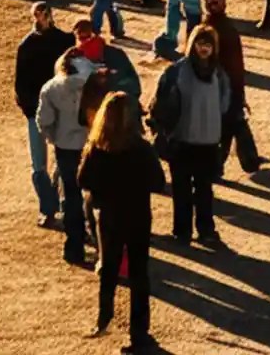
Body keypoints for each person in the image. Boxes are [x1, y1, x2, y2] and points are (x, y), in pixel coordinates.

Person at [78, 92, 165, 355]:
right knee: (139, 274)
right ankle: (139, 332)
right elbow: (158, 182)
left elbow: (83, 181)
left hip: (110, 216)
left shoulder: (97, 148)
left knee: (109, 269)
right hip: (138, 215)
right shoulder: (141, 149)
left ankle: (104, 318)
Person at [151, 25, 229, 247]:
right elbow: (161, 104)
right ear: (192, 44)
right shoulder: (177, 72)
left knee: (204, 190)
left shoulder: (218, 73)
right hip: (182, 142)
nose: (204, 48)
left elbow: (224, 104)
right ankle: (182, 232)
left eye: (208, 44)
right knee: (181, 190)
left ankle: (206, 231)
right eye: (200, 43)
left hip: (208, 143)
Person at [16, 1, 74, 227]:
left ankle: (60, 202)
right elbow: (20, 84)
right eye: (37, 15)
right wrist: (31, 110)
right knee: (39, 163)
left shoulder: (65, 41)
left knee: (63, 158)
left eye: (44, 14)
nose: (40, 18)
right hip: (36, 109)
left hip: (62, 107)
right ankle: (47, 208)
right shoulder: (27, 46)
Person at [38, 47, 95, 264]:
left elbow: (43, 121)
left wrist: (55, 138)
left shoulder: (51, 88)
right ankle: (105, 247)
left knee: (71, 198)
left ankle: (74, 248)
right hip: (93, 145)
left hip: (66, 148)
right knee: (98, 197)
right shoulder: (95, 84)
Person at [201, 0, 265, 177]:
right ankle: (219, 166)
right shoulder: (208, 28)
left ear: (224, 3)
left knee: (226, 129)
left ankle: (219, 165)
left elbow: (237, 65)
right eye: (209, 2)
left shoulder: (225, 29)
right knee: (224, 130)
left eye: (216, 2)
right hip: (215, 88)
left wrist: (239, 92)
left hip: (226, 87)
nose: (212, 6)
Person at [73, 19, 141, 121]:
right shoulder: (76, 59)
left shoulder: (116, 56)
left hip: (119, 114)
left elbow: (133, 87)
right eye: (81, 38)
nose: (85, 43)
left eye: (87, 38)